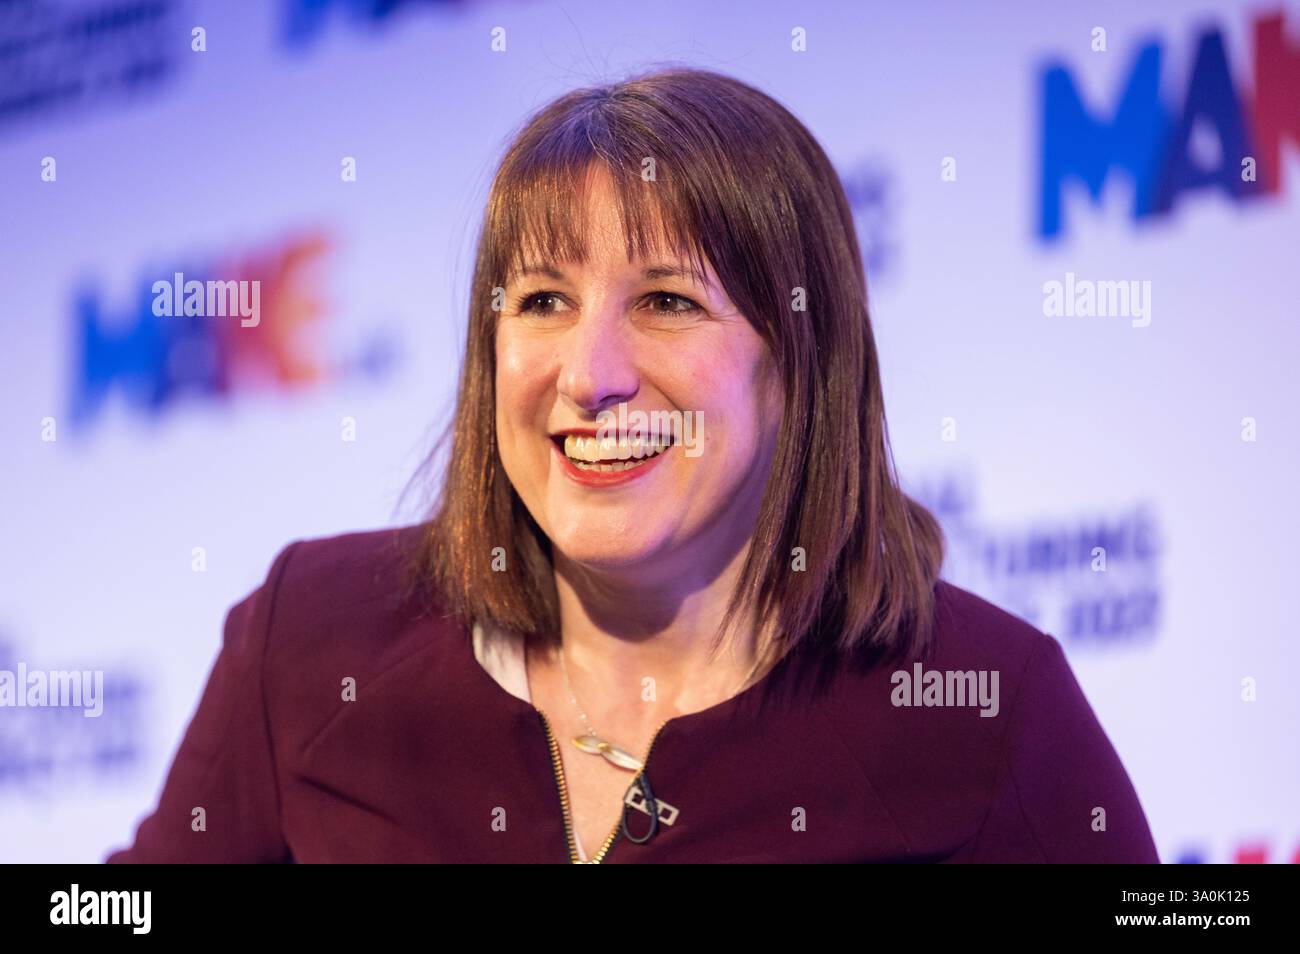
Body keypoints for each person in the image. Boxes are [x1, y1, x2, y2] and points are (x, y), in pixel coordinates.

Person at [106, 67, 1159, 863]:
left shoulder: (988, 711)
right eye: (542, 302)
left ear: (802, 361)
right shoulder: (307, 641)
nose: (588, 375)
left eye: (666, 302)